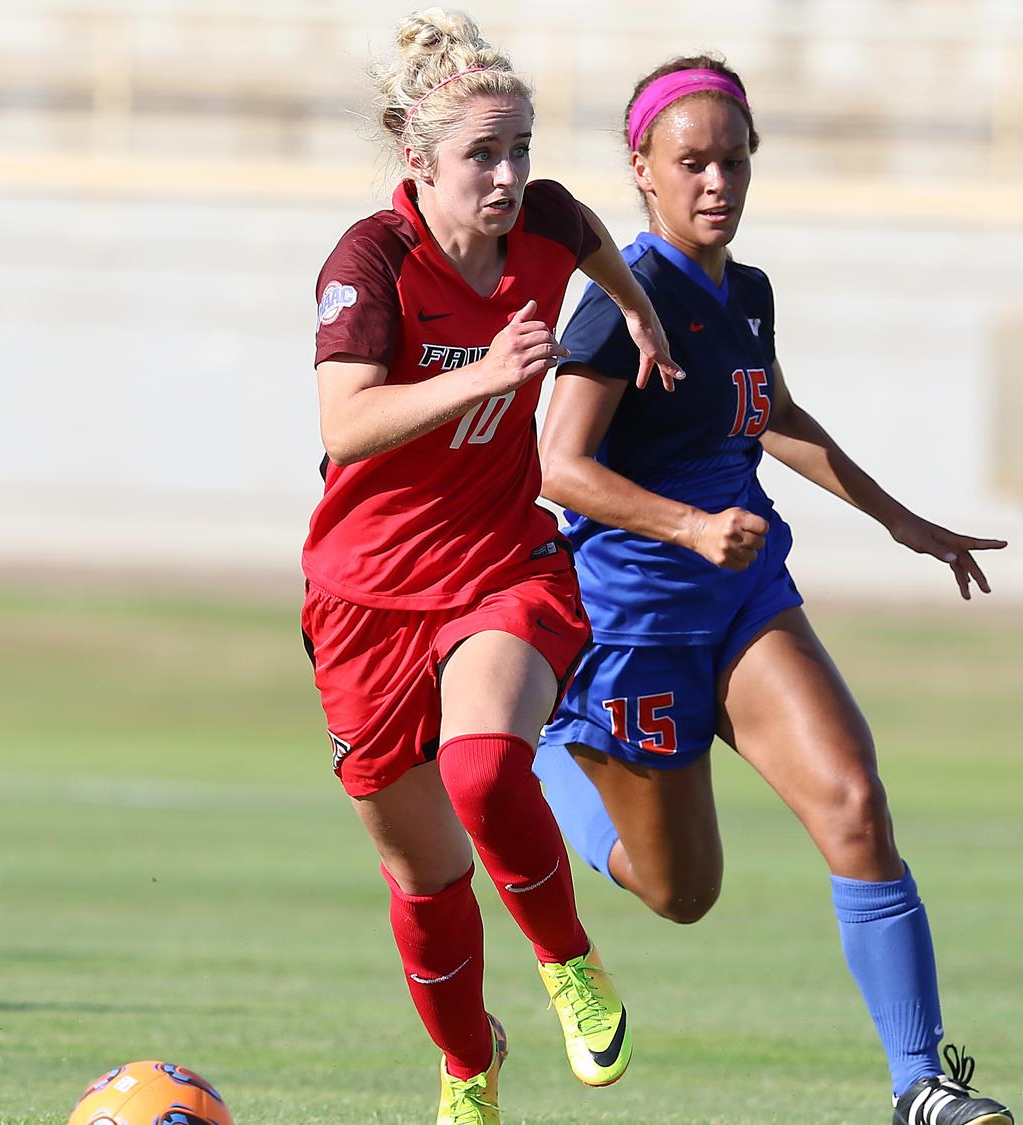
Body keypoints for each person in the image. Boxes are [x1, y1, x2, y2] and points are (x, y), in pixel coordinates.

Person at [529, 56, 1016, 1125]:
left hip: (744, 599)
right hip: (637, 621)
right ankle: (541, 753)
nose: (717, 183)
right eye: (692, 162)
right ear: (642, 169)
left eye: (735, 161)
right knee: (680, 893)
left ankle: (920, 1083)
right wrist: (690, 526)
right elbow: (557, 467)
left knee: (854, 799)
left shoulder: (745, 293)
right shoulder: (620, 301)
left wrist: (898, 519)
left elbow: (773, 415)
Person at [302, 10, 684, 1123]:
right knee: (424, 875)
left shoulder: (545, 220)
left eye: (519, 148)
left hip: (500, 564)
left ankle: (568, 961)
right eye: (482, 154)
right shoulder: (371, 261)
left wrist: (639, 315)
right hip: (364, 597)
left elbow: (591, 238)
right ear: (418, 159)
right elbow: (344, 423)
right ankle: (469, 1062)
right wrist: (482, 373)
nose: (509, 175)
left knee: (482, 770)